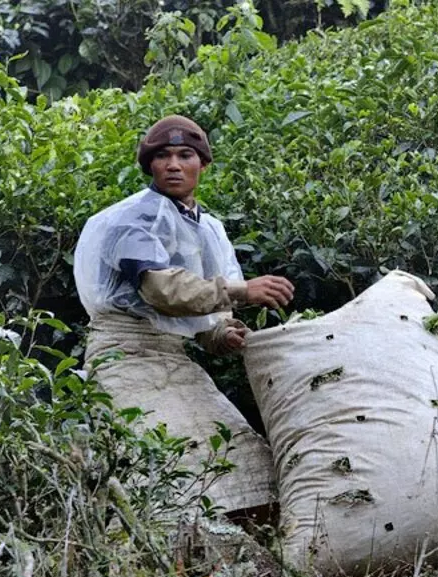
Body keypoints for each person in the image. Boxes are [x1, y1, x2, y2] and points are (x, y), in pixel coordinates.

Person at [73, 114, 294, 516]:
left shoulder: (208, 229)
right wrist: (244, 291)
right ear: (150, 167)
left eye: (185, 155)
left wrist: (224, 335)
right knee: (164, 464)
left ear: (202, 165)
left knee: (241, 459)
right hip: (125, 356)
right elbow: (161, 290)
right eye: (163, 157)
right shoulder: (133, 217)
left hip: (175, 358)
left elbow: (205, 318)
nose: (174, 164)